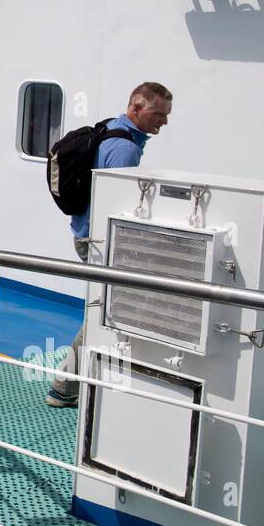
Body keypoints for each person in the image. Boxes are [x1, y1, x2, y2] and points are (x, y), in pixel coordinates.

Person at [47, 81, 173, 408]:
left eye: (166, 115)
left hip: (88, 235)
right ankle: (65, 386)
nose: (164, 122)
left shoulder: (111, 129)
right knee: (106, 311)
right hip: (100, 242)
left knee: (108, 309)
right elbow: (114, 205)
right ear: (136, 108)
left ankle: (75, 383)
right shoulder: (125, 148)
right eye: (158, 114)